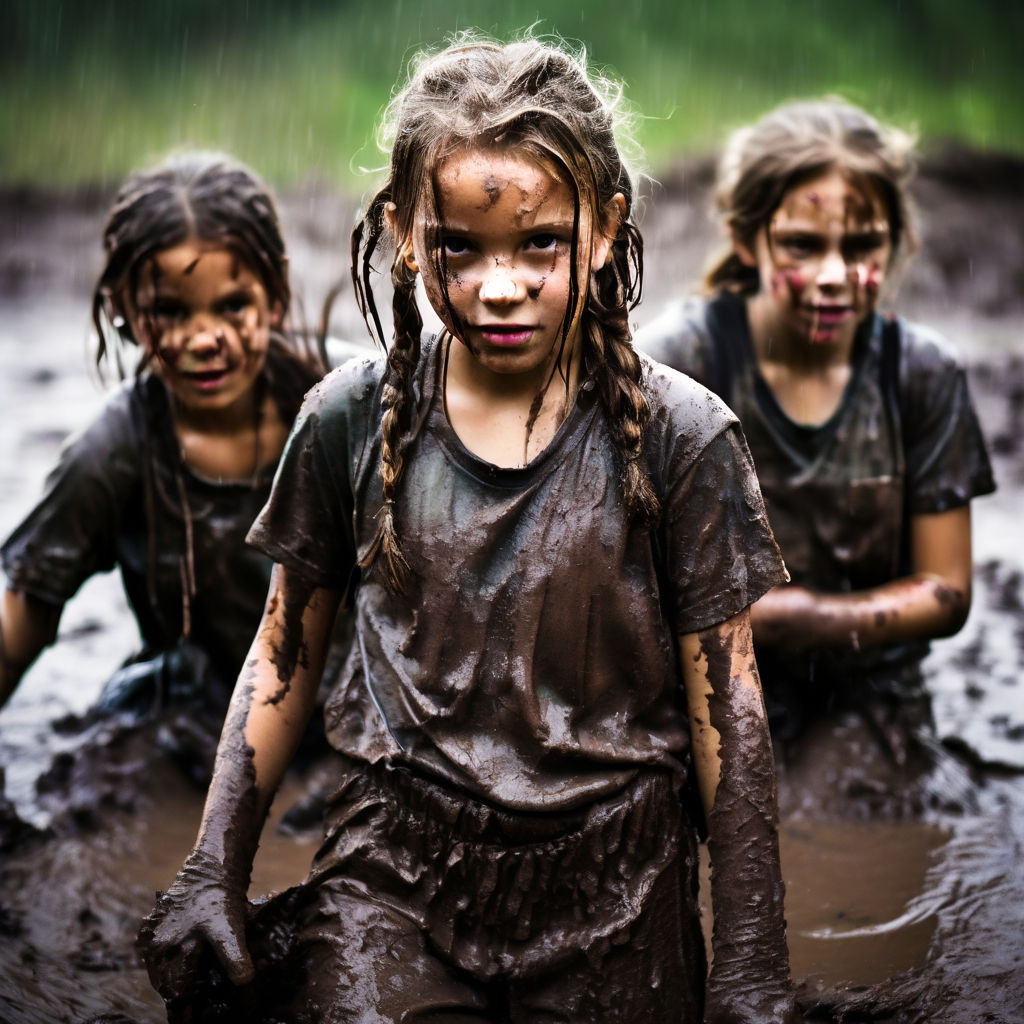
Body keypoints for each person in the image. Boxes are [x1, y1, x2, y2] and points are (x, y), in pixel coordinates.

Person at [138, 37, 801, 1023]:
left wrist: (750, 957)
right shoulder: (346, 418)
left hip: (615, 884)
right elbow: (282, 653)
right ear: (406, 236)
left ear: (605, 229)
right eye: (460, 247)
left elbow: (729, 711)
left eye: (539, 244)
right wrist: (211, 871)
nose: (499, 284)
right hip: (394, 872)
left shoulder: (683, 437)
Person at [637, 100, 995, 811]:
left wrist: (802, 618)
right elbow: (625, 562)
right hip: (702, 672)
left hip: (867, 688)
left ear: (900, 245)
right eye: (802, 246)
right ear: (747, 241)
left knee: (858, 819)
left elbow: (948, 590)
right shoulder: (681, 362)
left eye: (861, 246)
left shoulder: (921, 376)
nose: (834, 274)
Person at [0, 152, 328, 770]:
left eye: (232, 306)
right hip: (197, 721)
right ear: (122, 308)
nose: (204, 338)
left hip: (346, 717)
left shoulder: (342, 402)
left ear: (275, 294)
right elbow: (22, 626)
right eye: (172, 312)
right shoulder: (114, 452)